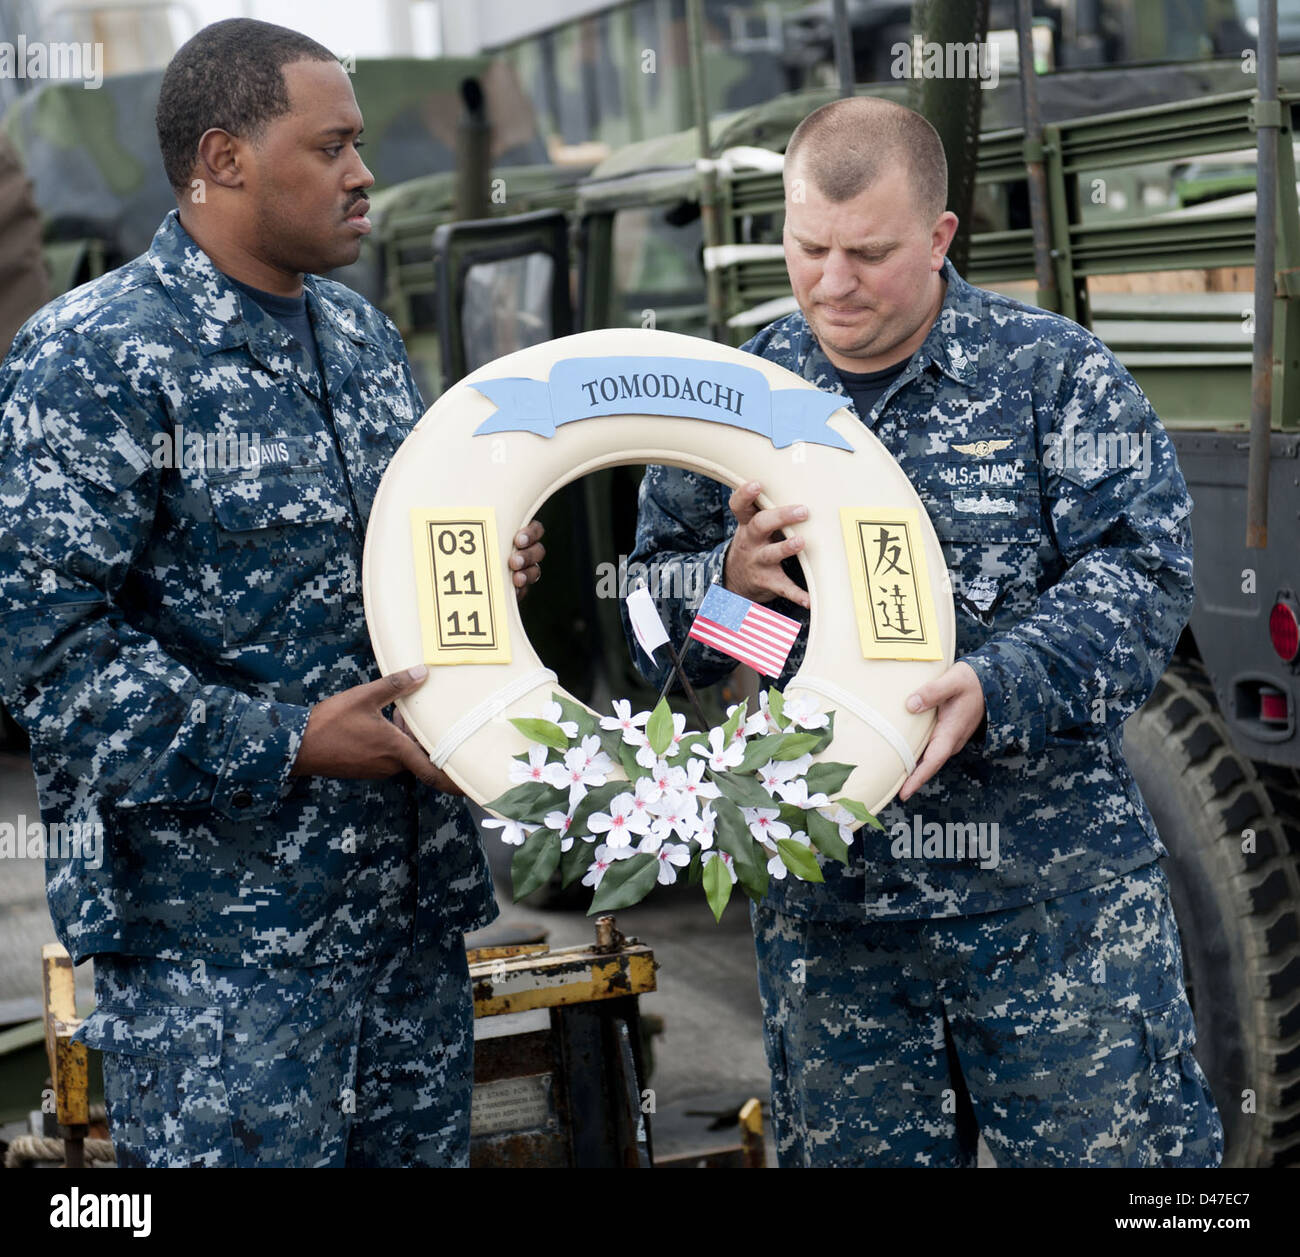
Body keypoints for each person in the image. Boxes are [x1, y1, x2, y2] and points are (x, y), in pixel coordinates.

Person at [624, 96, 1223, 1167]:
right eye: (809, 249)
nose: (833, 283)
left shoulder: (1052, 377)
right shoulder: (733, 405)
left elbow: (1145, 578)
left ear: (941, 237)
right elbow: (658, 633)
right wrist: (733, 591)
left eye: (870, 254)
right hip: (834, 917)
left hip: (1048, 901)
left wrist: (999, 683)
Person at [0, 18, 544, 1168]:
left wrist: (481, 572)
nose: (364, 173)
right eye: (332, 146)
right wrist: (290, 742)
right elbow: (45, 654)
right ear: (225, 158)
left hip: (405, 922)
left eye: (358, 145)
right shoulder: (94, 357)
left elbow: (386, 566)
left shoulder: (357, 336)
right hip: (223, 960)